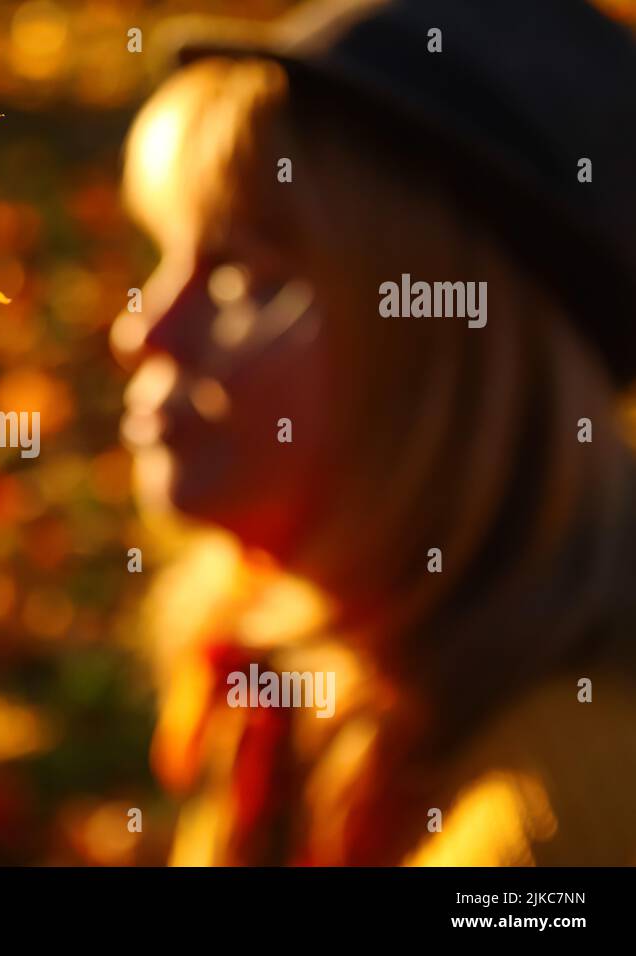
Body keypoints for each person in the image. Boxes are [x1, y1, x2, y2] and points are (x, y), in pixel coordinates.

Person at [113, 0, 636, 864]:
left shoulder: (561, 820)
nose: (144, 331)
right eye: (164, 254)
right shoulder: (277, 664)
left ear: (452, 351)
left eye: (244, 274)